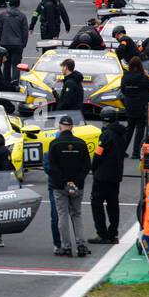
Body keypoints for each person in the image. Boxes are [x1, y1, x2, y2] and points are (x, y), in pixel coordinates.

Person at [47, 116, 90, 258]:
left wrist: (65, 182)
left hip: (60, 186)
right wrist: (75, 182)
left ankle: (66, 246)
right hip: (78, 185)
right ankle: (81, 244)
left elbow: (53, 167)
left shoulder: (54, 144)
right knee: (77, 214)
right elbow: (86, 166)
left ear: (60, 126)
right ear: (72, 127)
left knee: (62, 215)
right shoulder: (81, 144)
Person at [88, 107, 126, 245]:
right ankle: (113, 233)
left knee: (96, 204)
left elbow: (98, 154)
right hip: (116, 175)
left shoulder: (105, 135)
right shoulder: (122, 134)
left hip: (102, 175)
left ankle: (102, 234)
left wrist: (93, 167)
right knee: (113, 204)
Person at [119, 56, 149, 159]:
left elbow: (123, 90)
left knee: (129, 128)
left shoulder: (125, 77)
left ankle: (122, 150)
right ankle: (135, 152)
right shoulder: (144, 78)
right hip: (141, 105)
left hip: (129, 105)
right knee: (140, 129)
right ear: (140, 66)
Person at [0, 0, 28, 81]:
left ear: (10, 3)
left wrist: (0, 42)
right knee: (16, 65)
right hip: (17, 44)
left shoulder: (3, 15)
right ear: (18, 4)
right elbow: (25, 32)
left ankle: (6, 82)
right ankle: (15, 83)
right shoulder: (22, 16)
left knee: (6, 65)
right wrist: (23, 44)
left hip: (5, 43)